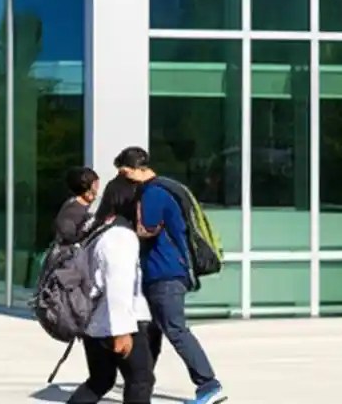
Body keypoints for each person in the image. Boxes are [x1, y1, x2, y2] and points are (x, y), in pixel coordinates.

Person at [115, 146, 226, 404]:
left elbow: (146, 229)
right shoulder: (165, 188)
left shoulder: (153, 193)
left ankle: (209, 384)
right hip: (164, 272)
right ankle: (140, 382)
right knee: (153, 330)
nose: (122, 179)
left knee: (175, 330)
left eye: (124, 173)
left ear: (135, 169)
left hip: (165, 274)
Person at [66, 177, 155, 404]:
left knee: (100, 380)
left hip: (94, 322)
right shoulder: (120, 237)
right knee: (140, 381)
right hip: (116, 322)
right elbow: (118, 284)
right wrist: (122, 331)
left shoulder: (97, 229)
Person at [56, 167, 100, 245]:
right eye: (95, 185)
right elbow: (67, 240)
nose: (97, 190)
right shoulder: (70, 211)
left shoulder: (99, 204)